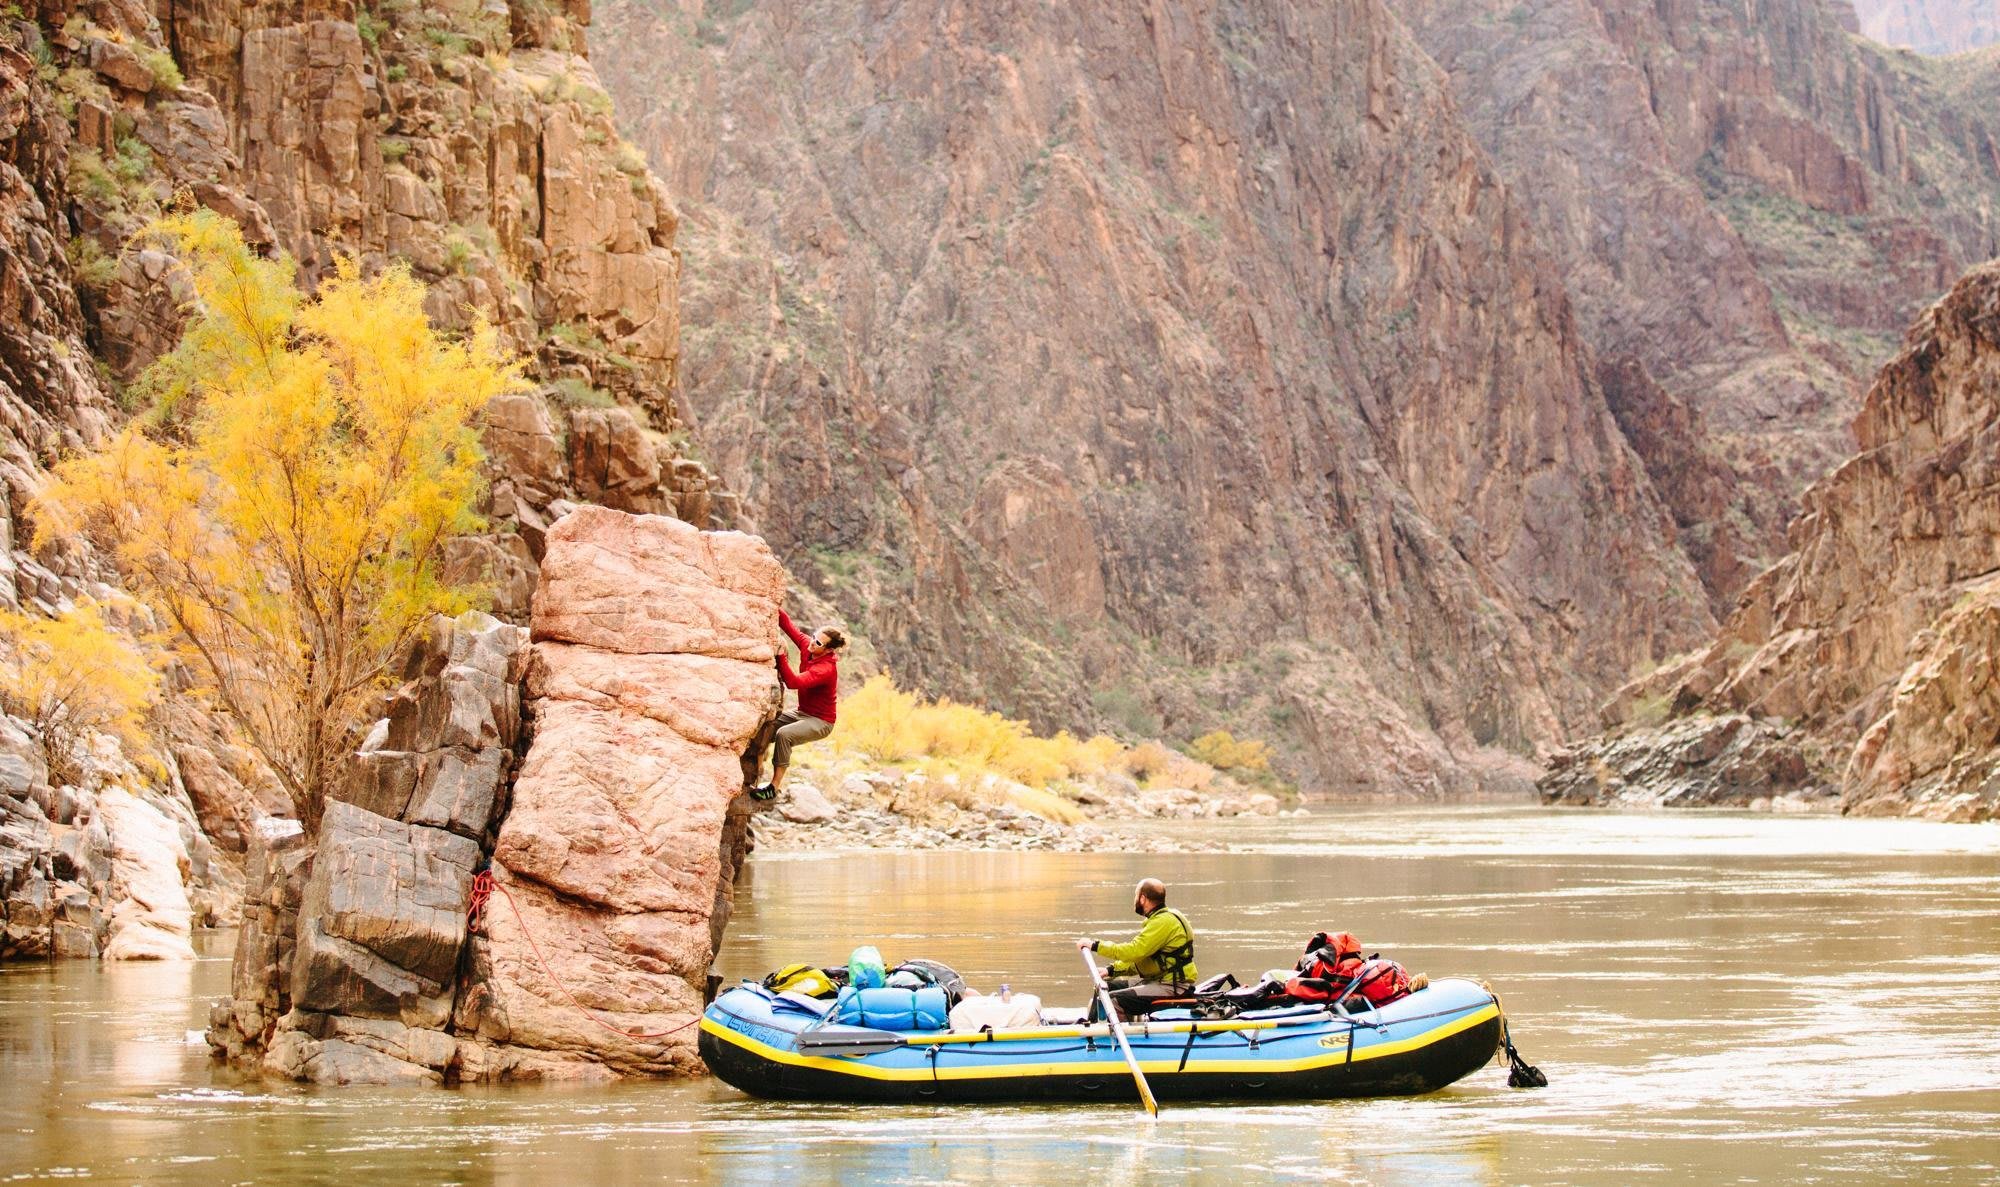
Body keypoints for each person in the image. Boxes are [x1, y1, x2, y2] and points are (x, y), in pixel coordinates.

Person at [746, 608, 845, 801]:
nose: (812, 642)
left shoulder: (825, 669)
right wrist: (770, 602)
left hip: (821, 721)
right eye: (814, 636)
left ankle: (773, 788)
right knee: (768, 726)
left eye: (818, 642)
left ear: (827, 650)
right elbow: (788, 625)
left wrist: (781, 656)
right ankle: (754, 769)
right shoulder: (809, 646)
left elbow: (793, 683)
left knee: (784, 735)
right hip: (802, 712)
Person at [1076, 878, 1198, 1020]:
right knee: (1105, 987)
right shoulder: (1164, 918)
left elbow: (1133, 952)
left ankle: (1113, 1038)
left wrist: (1095, 945)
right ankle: (1090, 1029)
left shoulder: (1163, 922)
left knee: (1111, 999)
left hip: (1172, 987)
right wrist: (1111, 970)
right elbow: (1144, 960)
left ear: (1142, 898)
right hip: (1158, 981)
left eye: (1136, 895)